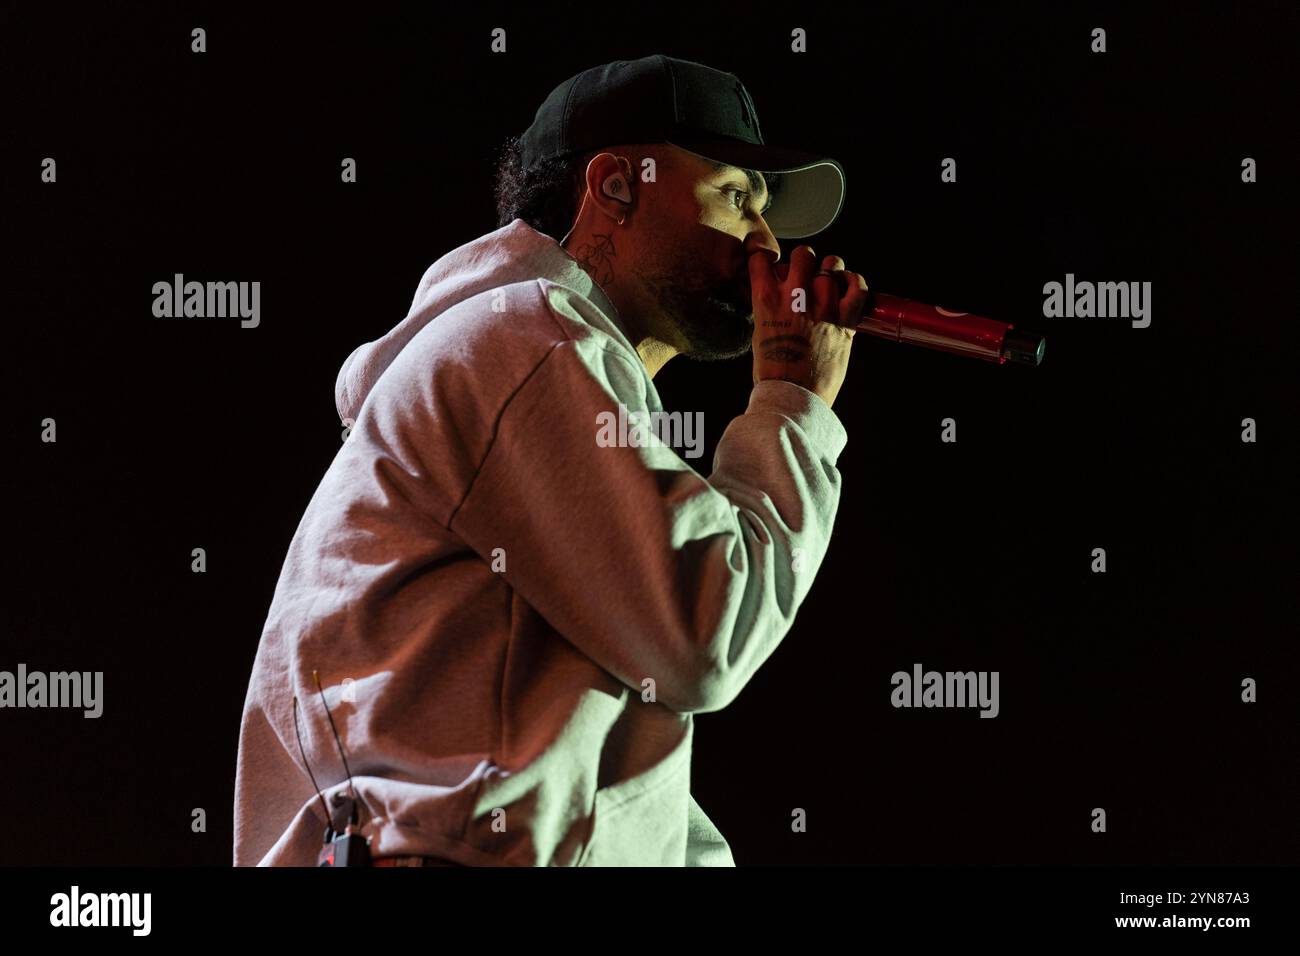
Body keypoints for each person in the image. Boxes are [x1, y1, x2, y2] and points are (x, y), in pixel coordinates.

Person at [233, 53, 868, 867]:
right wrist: (794, 403)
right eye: (737, 195)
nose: (767, 242)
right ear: (615, 187)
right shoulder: (522, 338)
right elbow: (706, 630)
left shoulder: (520, 359)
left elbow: (619, 790)